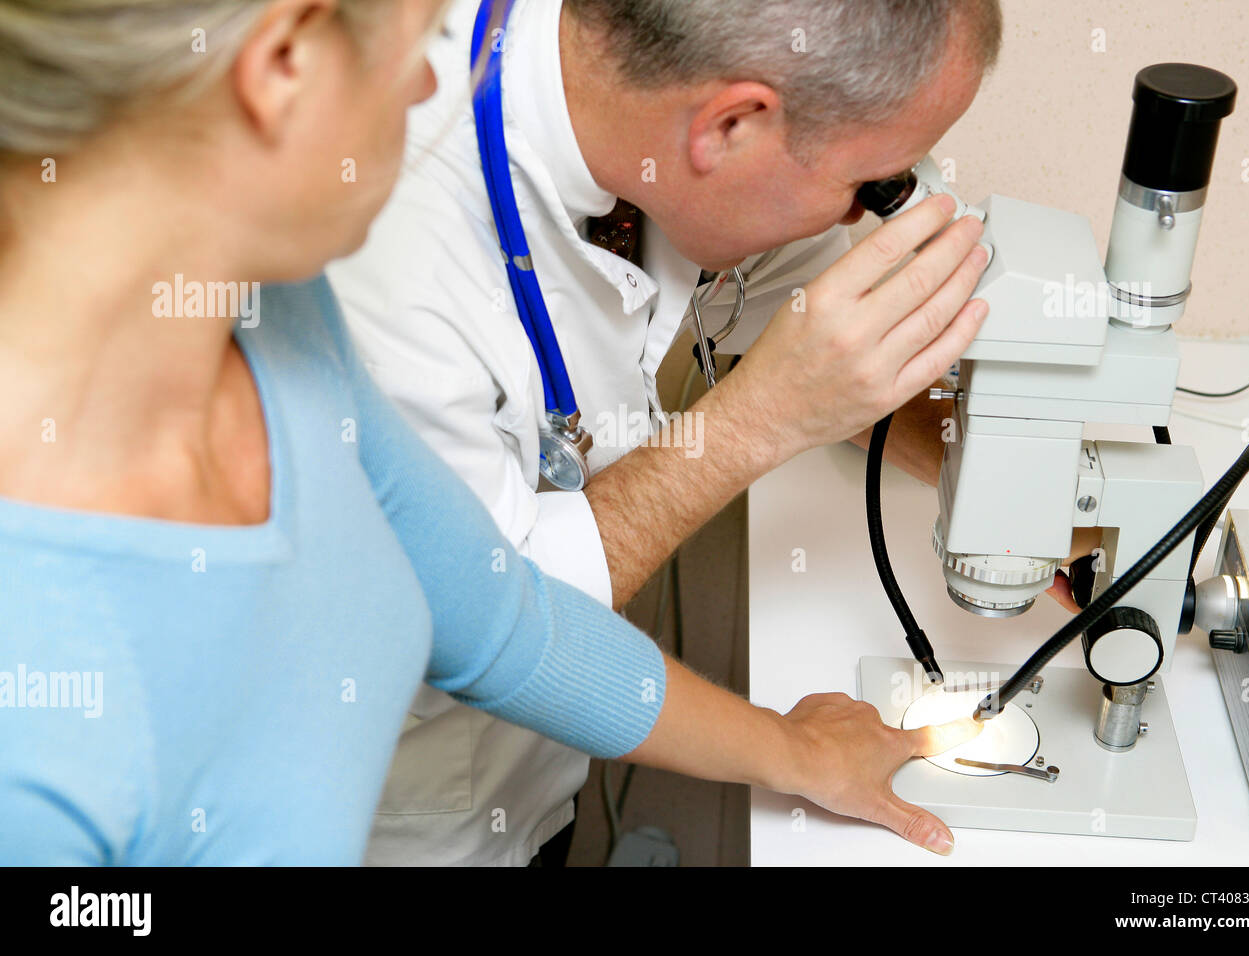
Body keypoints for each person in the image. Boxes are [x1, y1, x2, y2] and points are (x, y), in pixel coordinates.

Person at [0, 0, 977, 865]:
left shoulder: (281, 318)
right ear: (284, 63)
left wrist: (793, 750)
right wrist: (754, 423)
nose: (435, 81)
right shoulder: (38, 697)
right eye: (416, 42)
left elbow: (505, 622)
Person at [329, 0, 1026, 865]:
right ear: (729, 126)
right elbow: (491, 621)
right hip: (405, 818)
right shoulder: (380, 248)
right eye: (868, 188)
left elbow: (829, 335)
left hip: (549, 767)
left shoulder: (648, 84)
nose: (864, 218)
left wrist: (1018, 490)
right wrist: (757, 421)